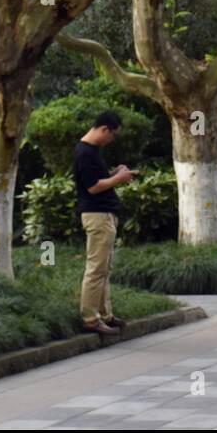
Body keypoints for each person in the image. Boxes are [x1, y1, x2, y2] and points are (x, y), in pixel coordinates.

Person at [74, 111, 137, 335]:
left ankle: (105, 314)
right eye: (114, 135)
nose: (113, 140)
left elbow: (98, 180)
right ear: (104, 129)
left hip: (104, 214)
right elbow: (92, 187)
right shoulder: (85, 153)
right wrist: (118, 179)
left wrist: (115, 173)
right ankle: (90, 319)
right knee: (96, 268)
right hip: (97, 215)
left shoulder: (92, 152)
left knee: (104, 268)